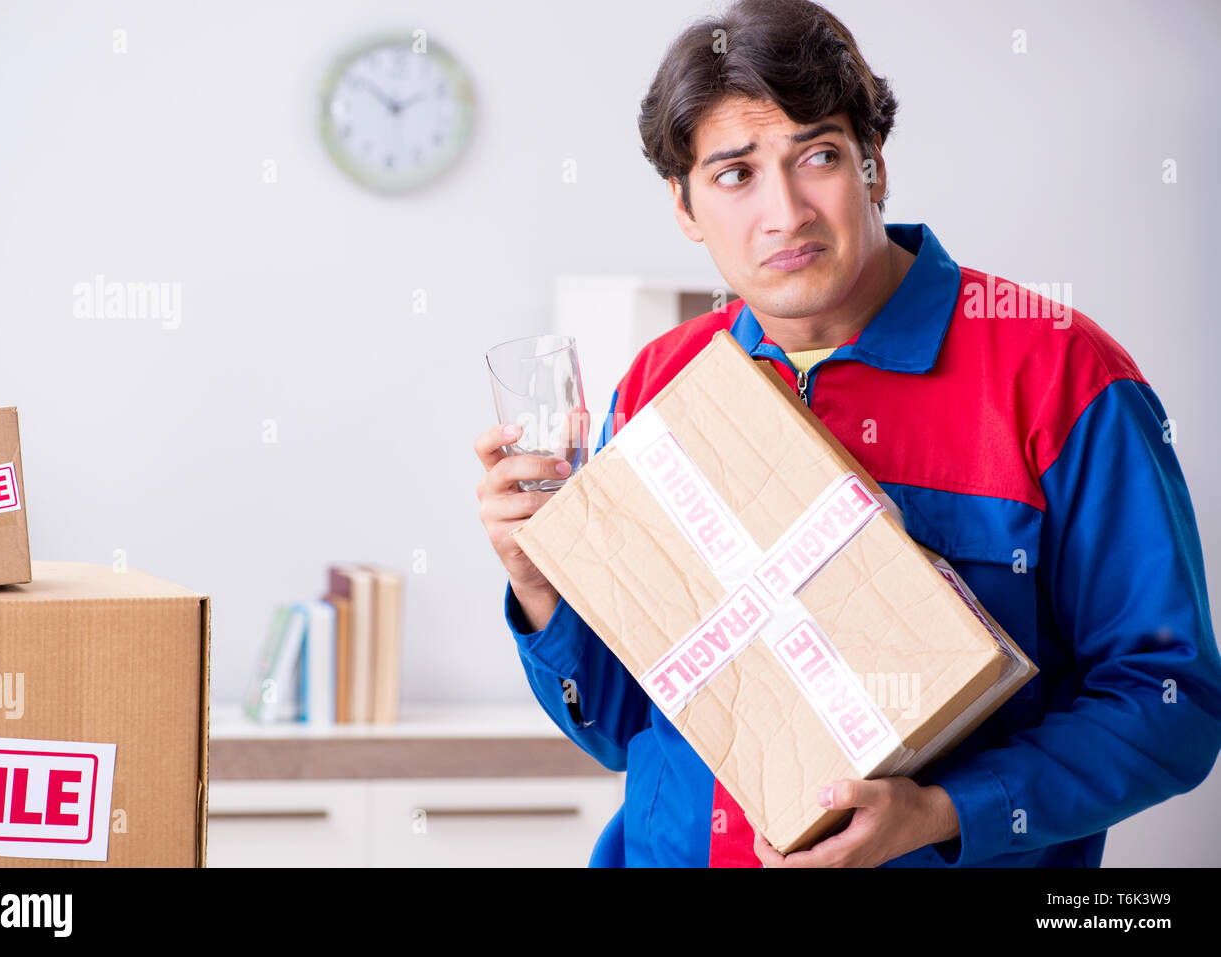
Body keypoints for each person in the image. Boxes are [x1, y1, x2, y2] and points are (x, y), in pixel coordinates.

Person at [473, 0, 1221, 867]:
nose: (785, 212)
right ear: (682, 205)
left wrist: (943, 811)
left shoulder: (1062, 376)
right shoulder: (658, 383)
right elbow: (620, 725)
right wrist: (539, 584)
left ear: (875, 166)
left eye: (817, 155)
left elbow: (1172, 706)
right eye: (734, 174)